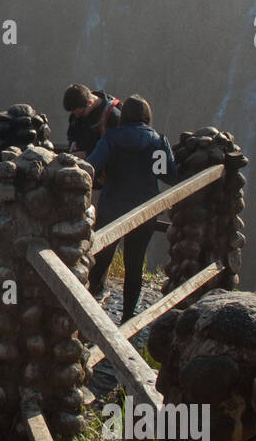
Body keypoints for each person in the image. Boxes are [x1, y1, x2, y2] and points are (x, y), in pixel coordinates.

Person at [85, 94, 178, 325]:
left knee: (100, 261)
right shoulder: (158, 141)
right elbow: (166, 174)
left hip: (112, 206)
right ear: (147, 116)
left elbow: (93, 165)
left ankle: (85, 316)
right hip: (145, 209)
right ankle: (127, 319)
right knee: (134, 264)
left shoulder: (112, 138)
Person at [63, 84, 121, 159]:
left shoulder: (113, 116)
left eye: (81, 113)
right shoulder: (77, 110)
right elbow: (72, 133)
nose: (77, 117)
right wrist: (73, 142)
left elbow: (116, 149)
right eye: (73, 113)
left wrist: (87, 154)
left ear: (90, 103)